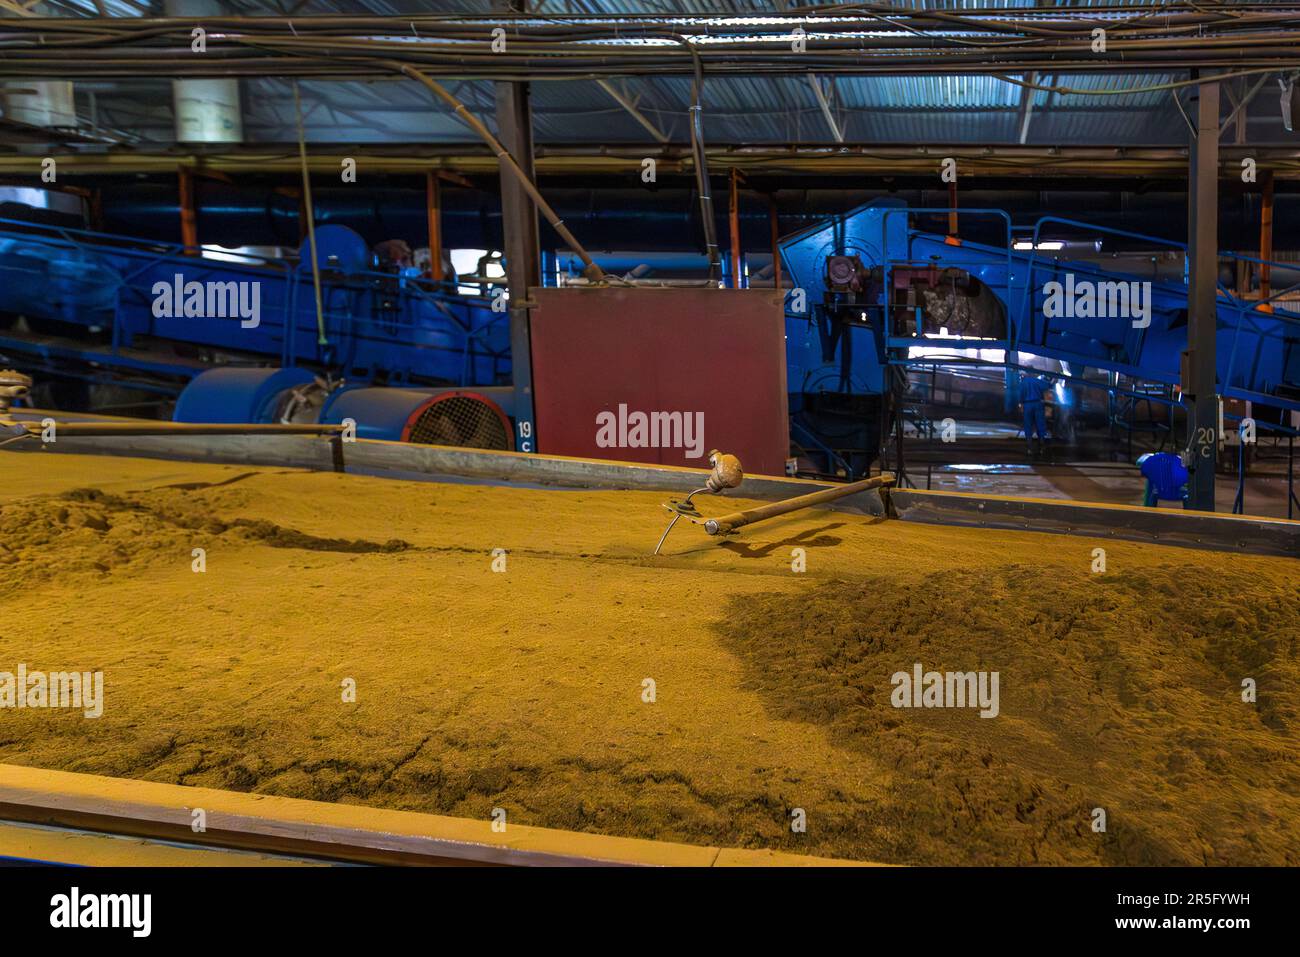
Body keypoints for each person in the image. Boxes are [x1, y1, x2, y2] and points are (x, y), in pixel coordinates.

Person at [1018, 373, 1053, 457]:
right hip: (1038, 404)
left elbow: (1020, 395)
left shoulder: (1023, 382)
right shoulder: (1038, 381)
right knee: (1040, 424)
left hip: (1027, 405)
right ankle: (1041, 447)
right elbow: (1049, 386)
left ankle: (1029, 448)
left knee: (1028, 425)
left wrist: (1020, 405)